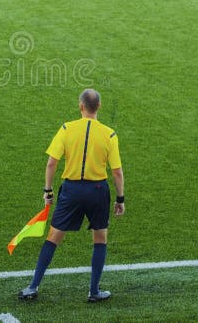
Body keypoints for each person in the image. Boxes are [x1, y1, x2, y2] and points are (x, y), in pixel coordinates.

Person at [18, 88, 125, 303]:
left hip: (71, 191)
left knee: (54, 237)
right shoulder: (110, 134)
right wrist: (120, 198)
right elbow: (116, 171)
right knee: (100, 238)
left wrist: (47, 191)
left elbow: (51, 162)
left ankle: (33, 286)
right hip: (97, 191)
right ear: (99, 107)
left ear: (81, 106)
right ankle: (93, 291)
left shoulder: (67, 129)